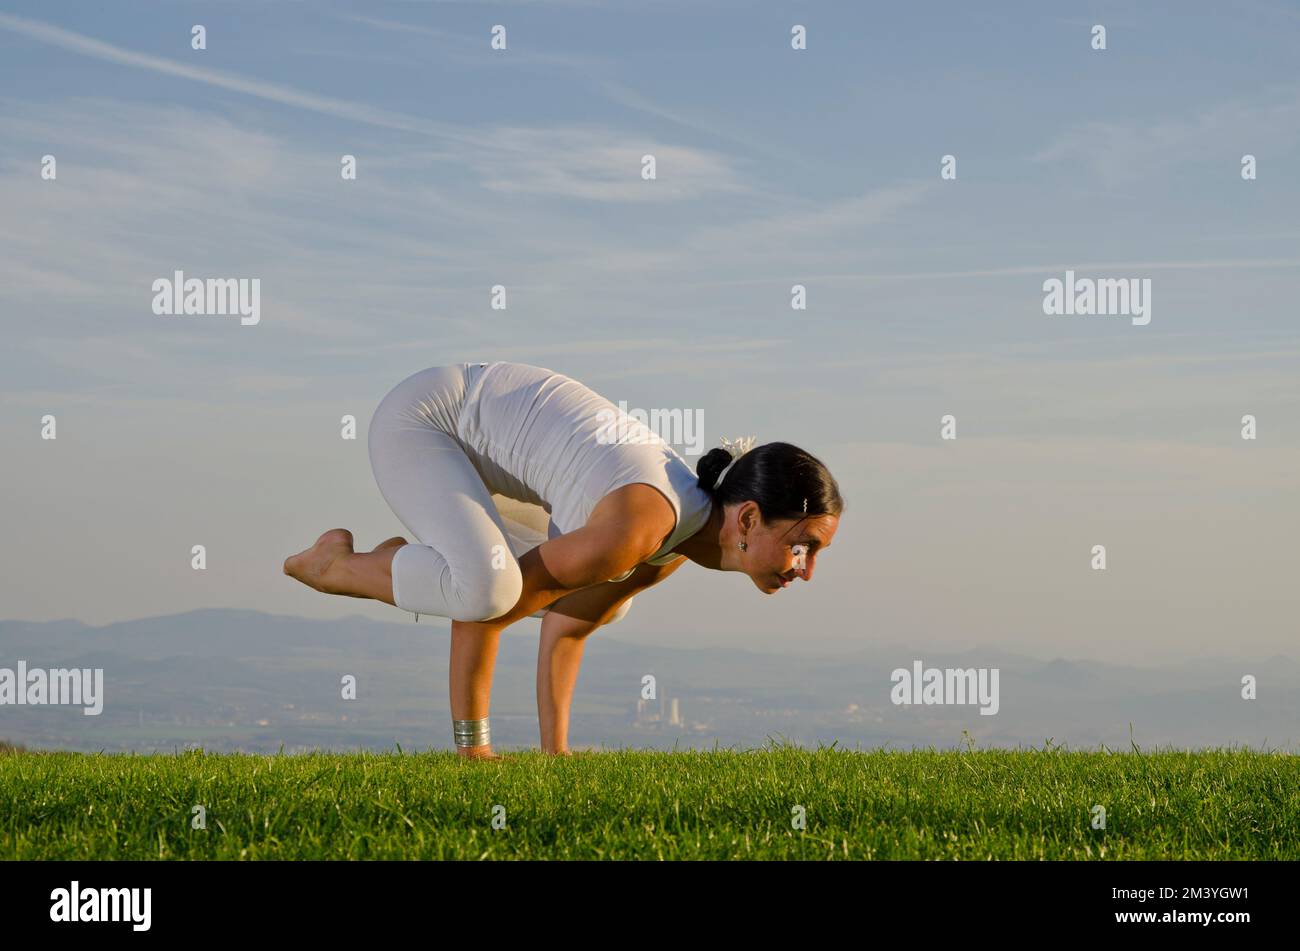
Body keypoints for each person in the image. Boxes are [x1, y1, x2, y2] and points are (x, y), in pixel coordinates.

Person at [284, 361, 844, 758]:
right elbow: (487, 612)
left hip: (491, 466)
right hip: (427, 420)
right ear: (747, 519)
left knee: (598, 603)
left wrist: (557, 754)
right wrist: (474, 750)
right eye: (805, 544)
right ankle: (335, 565)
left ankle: (400, 564)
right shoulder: (642, 527)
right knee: (485, 589)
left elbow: (567, 627)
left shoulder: (670, 546)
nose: (806, 567)